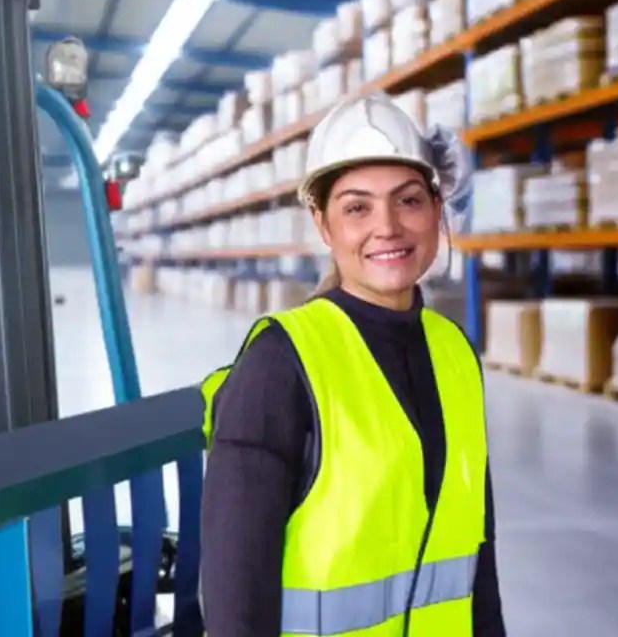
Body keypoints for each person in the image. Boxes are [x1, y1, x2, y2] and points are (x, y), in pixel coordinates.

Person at [198, 92, 505, 636]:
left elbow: (479, 565)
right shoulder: (281, 366)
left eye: (408, 200)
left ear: (438, 208)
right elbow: (235, 600)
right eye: (357, 207)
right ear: (323, 224)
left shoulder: (455, 352)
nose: (387, 227)